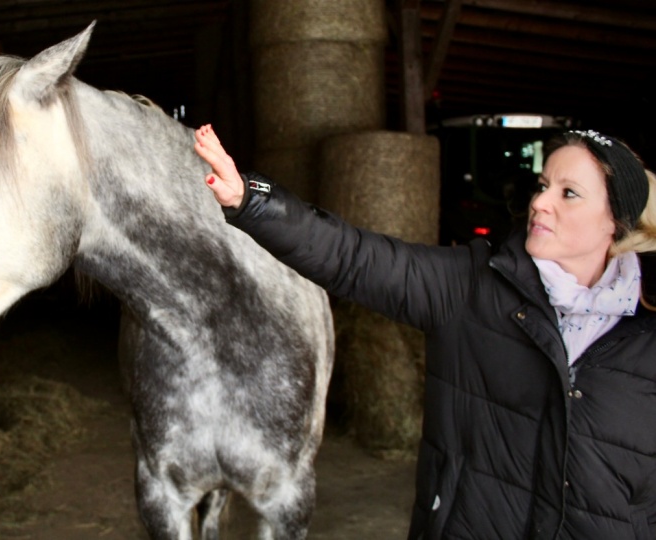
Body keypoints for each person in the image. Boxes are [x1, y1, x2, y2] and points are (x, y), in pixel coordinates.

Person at [194, 124, 656, 539]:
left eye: (568, 193)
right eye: (542, 185)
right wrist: (250, 200)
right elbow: (352, 258)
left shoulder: (647, 332)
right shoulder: (470, 285)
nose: (540, 203)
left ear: (615, 221)